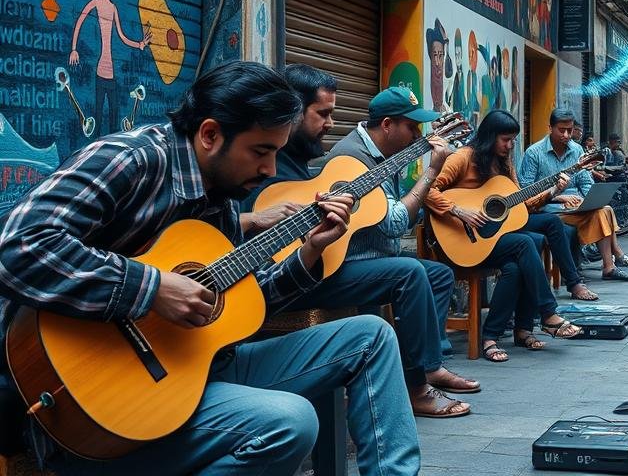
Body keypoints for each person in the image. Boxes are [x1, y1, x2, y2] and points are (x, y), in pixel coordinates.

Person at [0, 61, 420, 475]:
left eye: (276, 152)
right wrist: (152, 288)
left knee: (371, 336)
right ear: (209, 134)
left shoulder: (219, 194)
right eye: (261, 151)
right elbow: (18, 246)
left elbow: (242, 304)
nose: (271, 170)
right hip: (96, 403)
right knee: (289, 421)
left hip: (197, 367)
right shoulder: (131, 159)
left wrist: (310, 251)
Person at [243, 73, 479, 419]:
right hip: (303, 276)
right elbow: (395, 222)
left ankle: (427, 364)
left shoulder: (303, 161)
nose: (331, 124)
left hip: (328, 261)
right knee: (409, 273)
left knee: (436, 275)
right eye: (322, 114)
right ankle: (416, 386)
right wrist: (430, 174)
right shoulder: (336, 158)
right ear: (292, 113)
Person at [425, 110, 582, 361]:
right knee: (524, 242)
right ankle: (547, 313)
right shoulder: (462, 158)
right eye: (505, 140)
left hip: (488, 241)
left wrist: (552, 191)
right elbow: (426, 190)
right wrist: (458, 210)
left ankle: (495, 336)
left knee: (522, 259)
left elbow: (521, 204)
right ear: (489, 137)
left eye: (513, 141)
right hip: (458, 241)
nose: (510, 146)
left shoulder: (504, 163)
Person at [520, 109, 628, 296]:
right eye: (561, 130)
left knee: (603, 209)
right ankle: (613, 259)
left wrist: (586, 199)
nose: (566, 135)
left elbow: (585, 180)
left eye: (569, 130)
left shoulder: (577, 150)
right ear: (550, 128)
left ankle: (608, 266)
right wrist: (558, 195)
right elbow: (526, 189)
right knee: (601, 212)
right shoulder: (534, 153)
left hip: (576, 207)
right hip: (549, 207)